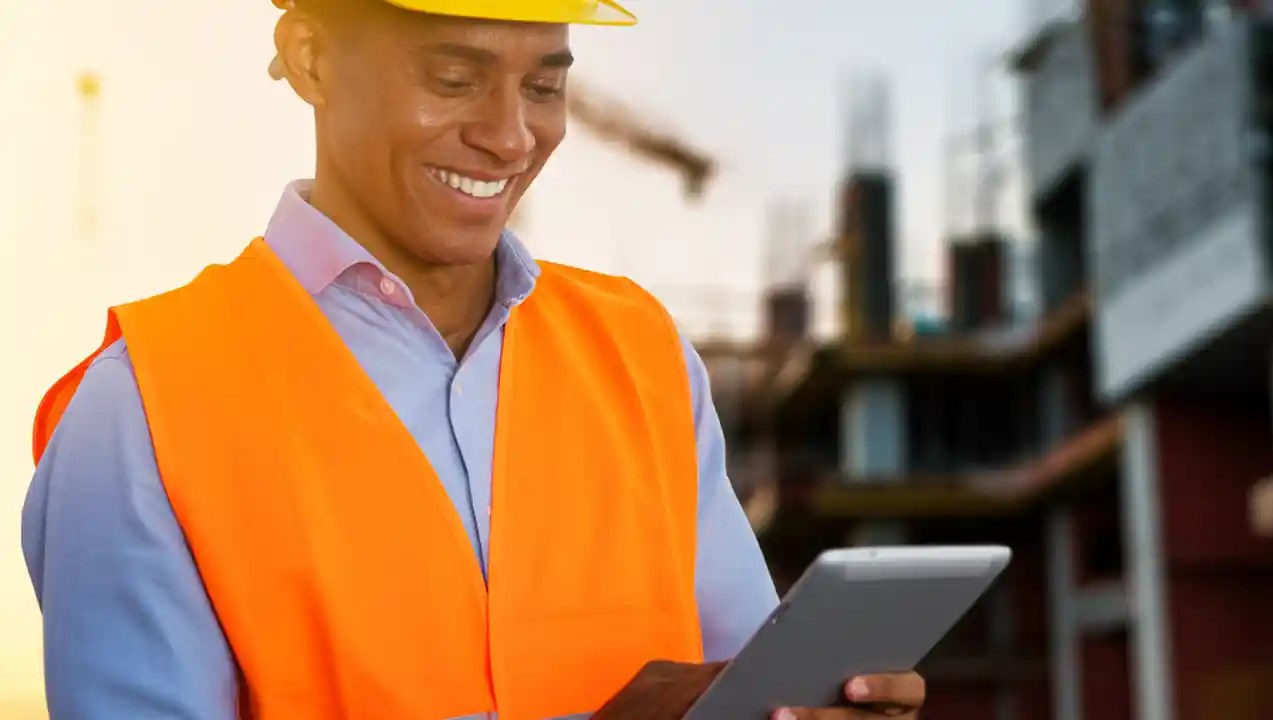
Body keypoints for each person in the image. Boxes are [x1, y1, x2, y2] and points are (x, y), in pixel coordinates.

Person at [21, 1, 927, 718]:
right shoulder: (143, 408)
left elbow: (741, 681)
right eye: (455, 77)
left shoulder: (643, 354)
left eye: (543, 85)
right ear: (311, 60)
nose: (509, 135)